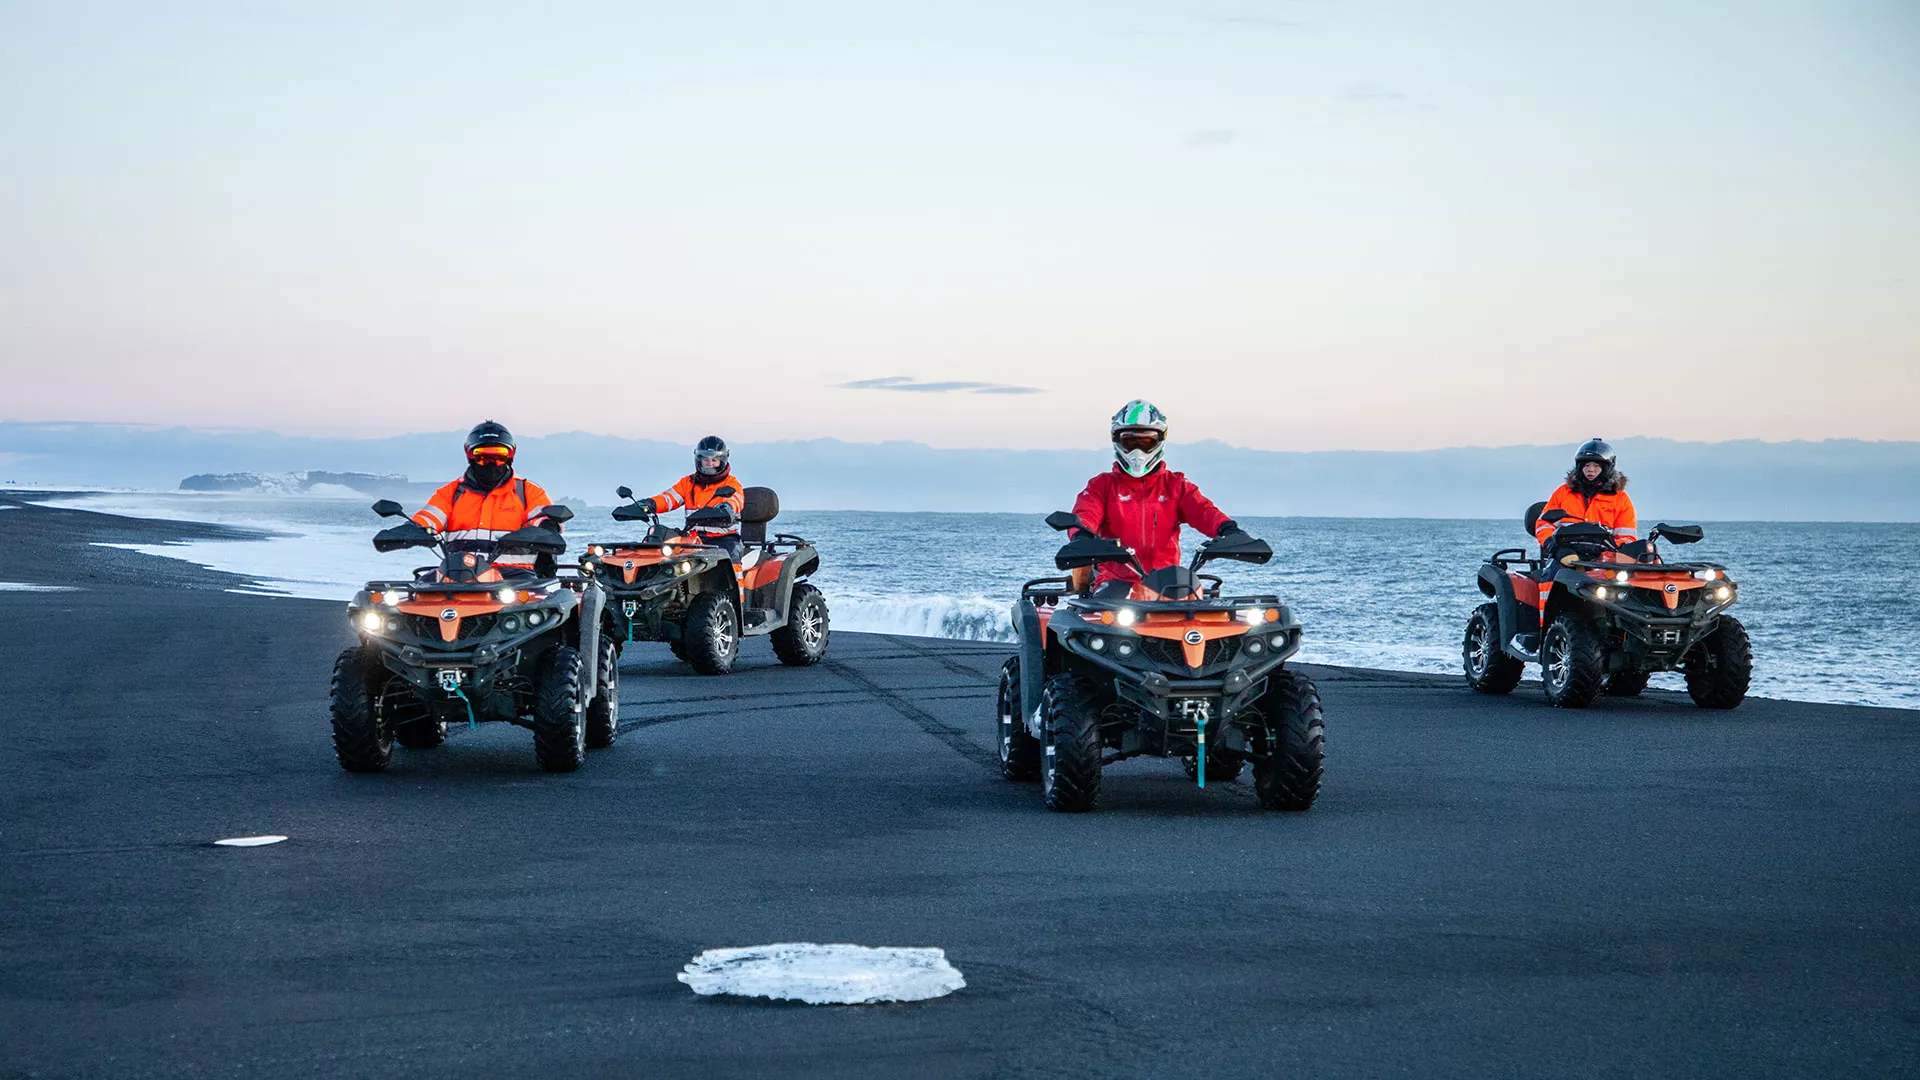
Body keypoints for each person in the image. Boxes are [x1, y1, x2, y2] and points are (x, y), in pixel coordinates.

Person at [1068, 400, 1243, 596]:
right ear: (1117, 441)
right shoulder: (1102, 485)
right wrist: (1081, 536)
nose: (1137, 451)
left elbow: (1204, 511)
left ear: (1159, 441)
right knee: (1103, 620)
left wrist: (1229, 530)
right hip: (1117, 581)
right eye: (1130, 441)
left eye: (1145, 442)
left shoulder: (1176, 485)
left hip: (1169, 583)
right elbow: (1085, 514)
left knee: (1205, 614)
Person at [410, 421, 560, 576]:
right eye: (482, 457)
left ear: (510, 456)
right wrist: (410, 529)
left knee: (543, 597)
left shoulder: (528, 492)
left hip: (515, 577)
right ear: (470, 456)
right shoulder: (452, 492)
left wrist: (548, 528)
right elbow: (429, 517)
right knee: (418, 591)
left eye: (499, 457)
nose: (491, 463)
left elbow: (543, 517)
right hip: (459, 575)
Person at [639, 435, 747, 562]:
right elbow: (668, 498)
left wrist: (726, 508)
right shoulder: (688, 483)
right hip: (693, 539)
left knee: (730, 556)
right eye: (706, 460)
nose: (710, 464)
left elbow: (736, 499)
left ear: (722, 460)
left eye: (714, 460)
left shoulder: (731, 483)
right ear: (699, 460)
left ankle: (737, 582)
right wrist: (650, 504)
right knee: (665, 555)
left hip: (723, 538)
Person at [1536, 437, 1636, 565]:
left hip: (1603, 561)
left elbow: (1627, 536)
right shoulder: (1563, 492)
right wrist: (1556, 548)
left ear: (1606, 468)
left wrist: (1610, 554)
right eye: (1586, 465)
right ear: (1579, 467)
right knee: (1551, 581)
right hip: (1566, 556)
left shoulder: (1620, 498)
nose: (1591, 470)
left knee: (1625, 583)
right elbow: (1544, 525)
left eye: (1596, 466)